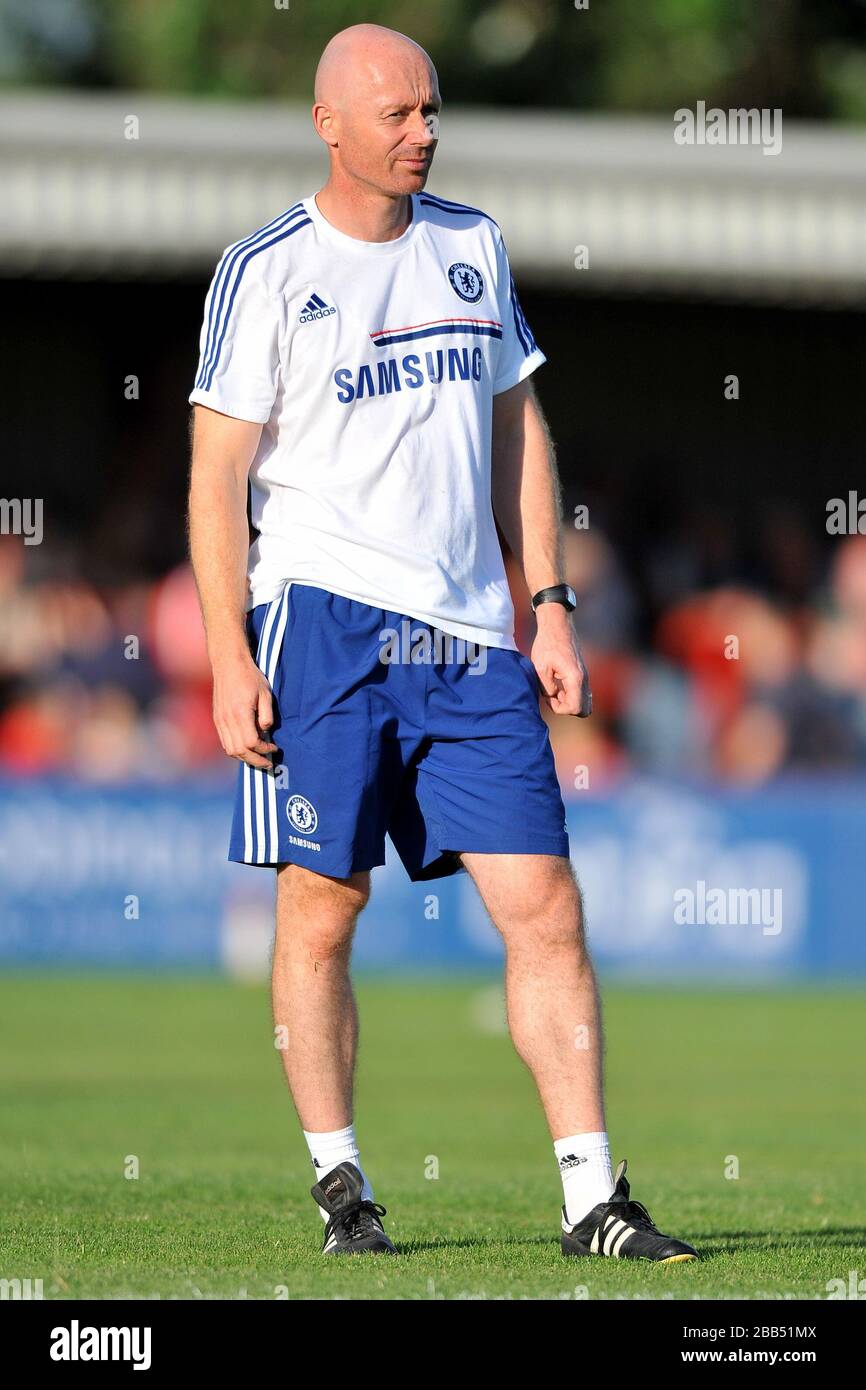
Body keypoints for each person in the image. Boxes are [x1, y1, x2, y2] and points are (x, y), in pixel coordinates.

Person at [187, 22, 698, 1264]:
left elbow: (518, 426)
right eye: (398, 114)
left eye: (430, 110)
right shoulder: (264, 269)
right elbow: (216, 480)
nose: (424, 131)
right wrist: (224, 653)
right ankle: (342, 1188)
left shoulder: (472, 246)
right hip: (321, 625)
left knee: (544, 906)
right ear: (330, 123)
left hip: (470, 636)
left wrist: (551, 601)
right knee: (321, 906)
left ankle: (590, 1200)